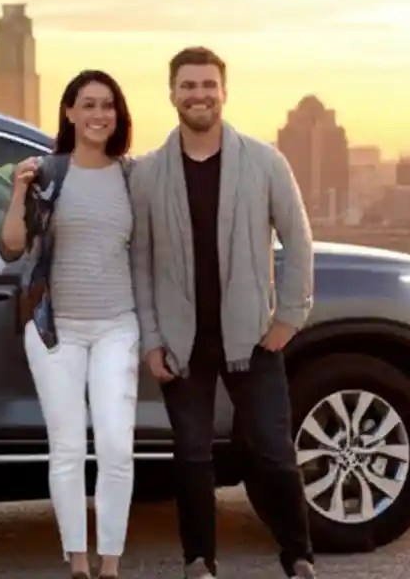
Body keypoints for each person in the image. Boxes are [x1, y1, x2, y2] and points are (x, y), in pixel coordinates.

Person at [129, 47, 318, 579]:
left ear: (224, 92)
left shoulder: (263, 162)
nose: (199, 95)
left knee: (273, 451)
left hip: (252, 336)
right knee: (192, 456)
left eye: (208, 85)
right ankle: (199, 561)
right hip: (181, 341)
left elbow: (299, 239)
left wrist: (290, 317)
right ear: (172, 94)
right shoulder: (147, 174)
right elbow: (139, 263)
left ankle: (299, 557)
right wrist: (151, 340)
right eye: (188, 86)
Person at [0, 69, 138, 579]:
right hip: (55, 329)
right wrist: (19, 191)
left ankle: (110, 562)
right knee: (68, 448)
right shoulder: (47, 173)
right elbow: (11, 248)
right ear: (70, 112)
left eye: (108, 105)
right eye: (89, 104)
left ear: (118, 115)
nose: (99, 114)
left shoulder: (131, 177)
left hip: (117, 326)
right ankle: (77, 560)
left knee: (117, 446)